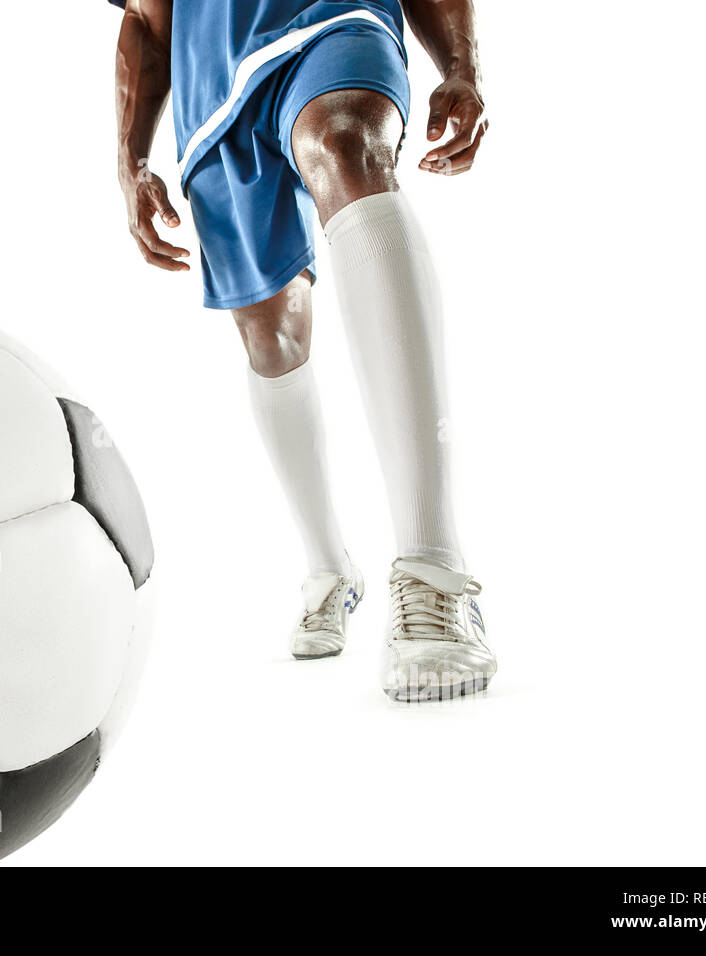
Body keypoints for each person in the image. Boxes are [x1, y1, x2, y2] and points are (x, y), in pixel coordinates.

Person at [110, 0, 495, 700]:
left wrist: (461, 65)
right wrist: (130, 161)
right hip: (213, 89)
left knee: (346, 142)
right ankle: (328, 569)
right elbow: (146, 20)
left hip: (332, 18)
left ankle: (433, 572)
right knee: (272, 334)